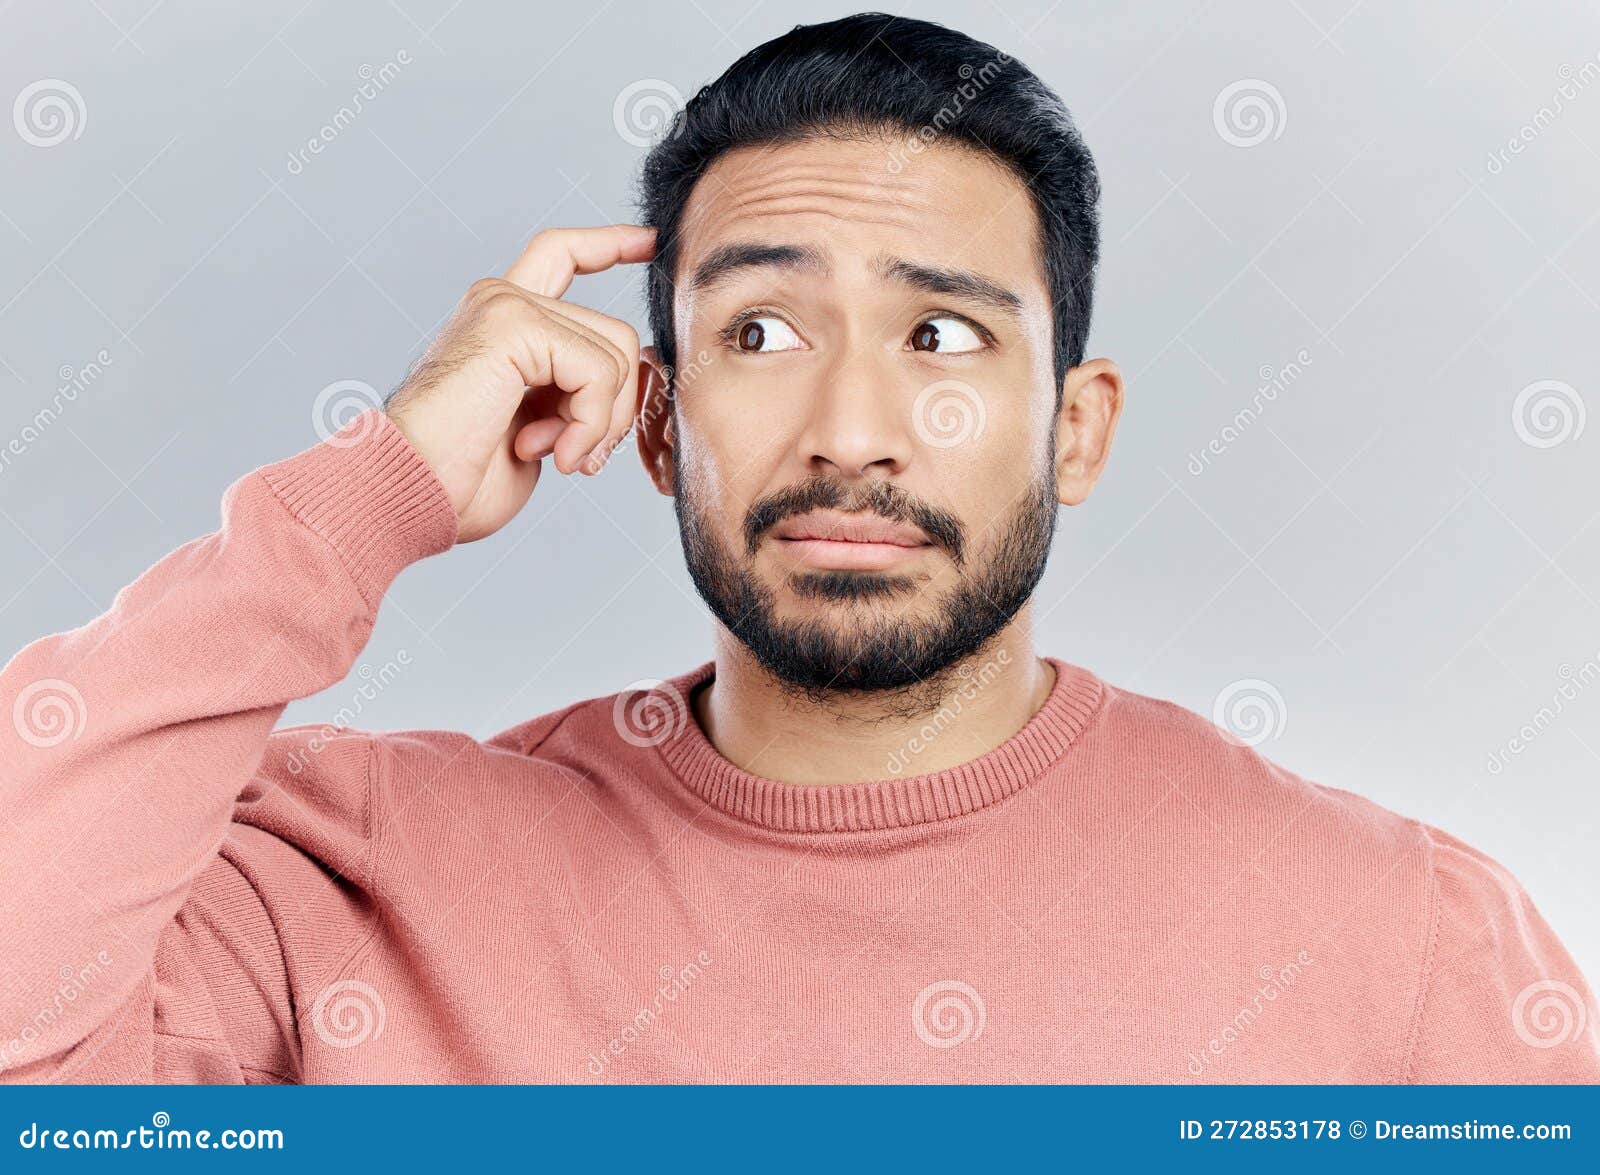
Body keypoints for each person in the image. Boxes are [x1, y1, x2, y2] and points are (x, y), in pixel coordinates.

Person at [2, 12, 1595, 1084]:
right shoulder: (344, 884)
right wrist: (366, 499)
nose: (850, 427)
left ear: (1080, 428)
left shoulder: (1401, 943)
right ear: (651, 422)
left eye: (944, 337)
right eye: (758, 329)